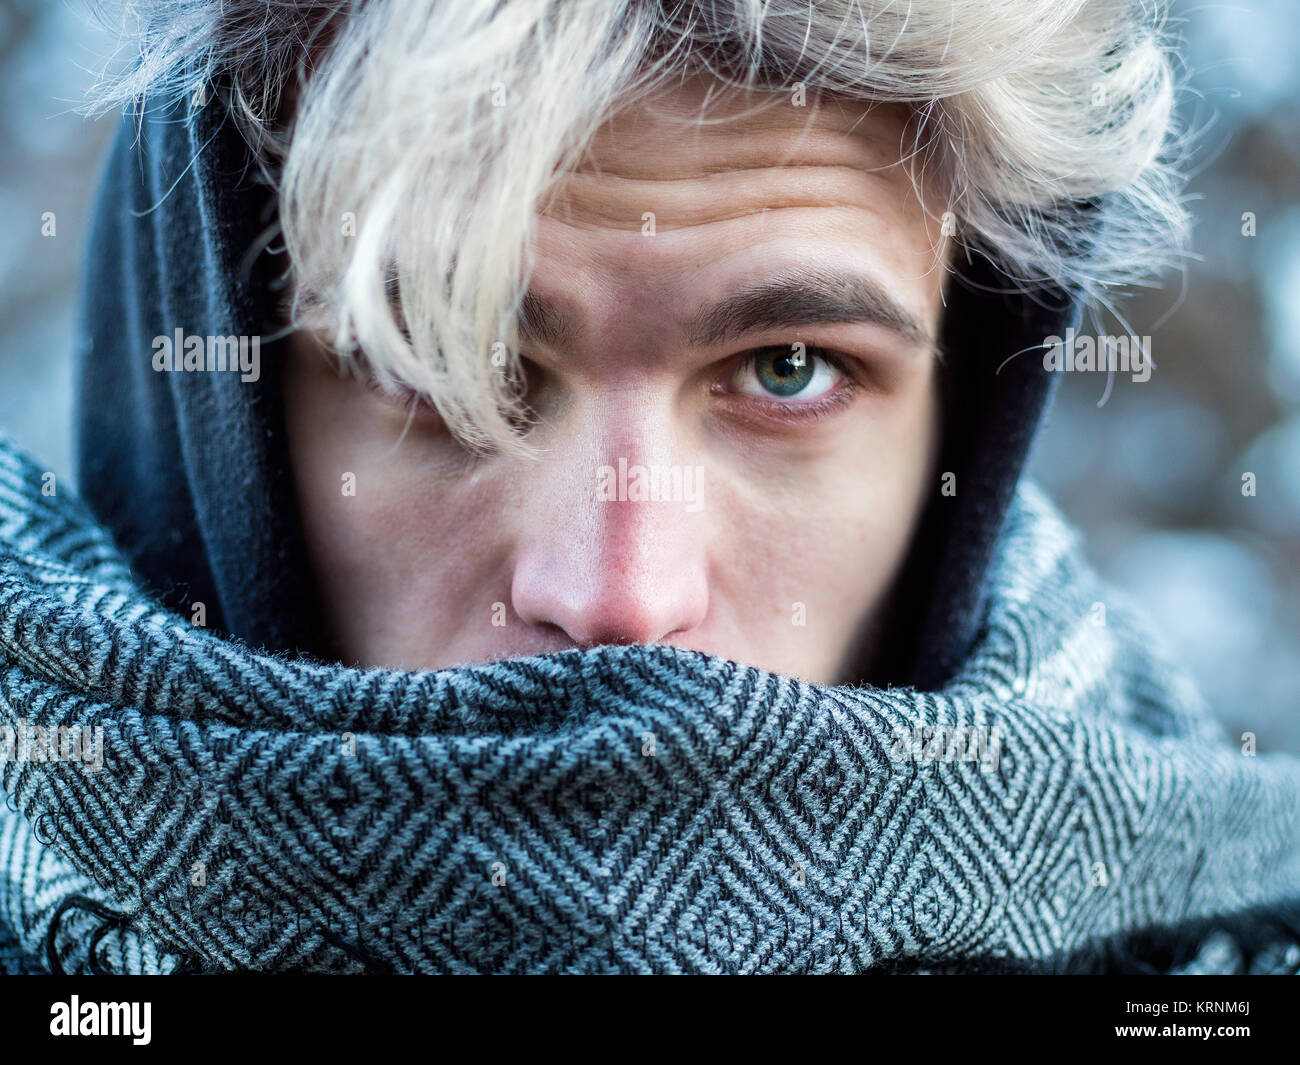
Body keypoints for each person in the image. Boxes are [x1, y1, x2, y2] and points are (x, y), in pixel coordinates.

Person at [0, 0, 1296, 974]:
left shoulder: (1215, 942)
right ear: (214, 433)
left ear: (965, 439)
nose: (618, 596)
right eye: (446, 365)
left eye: (788, 369)